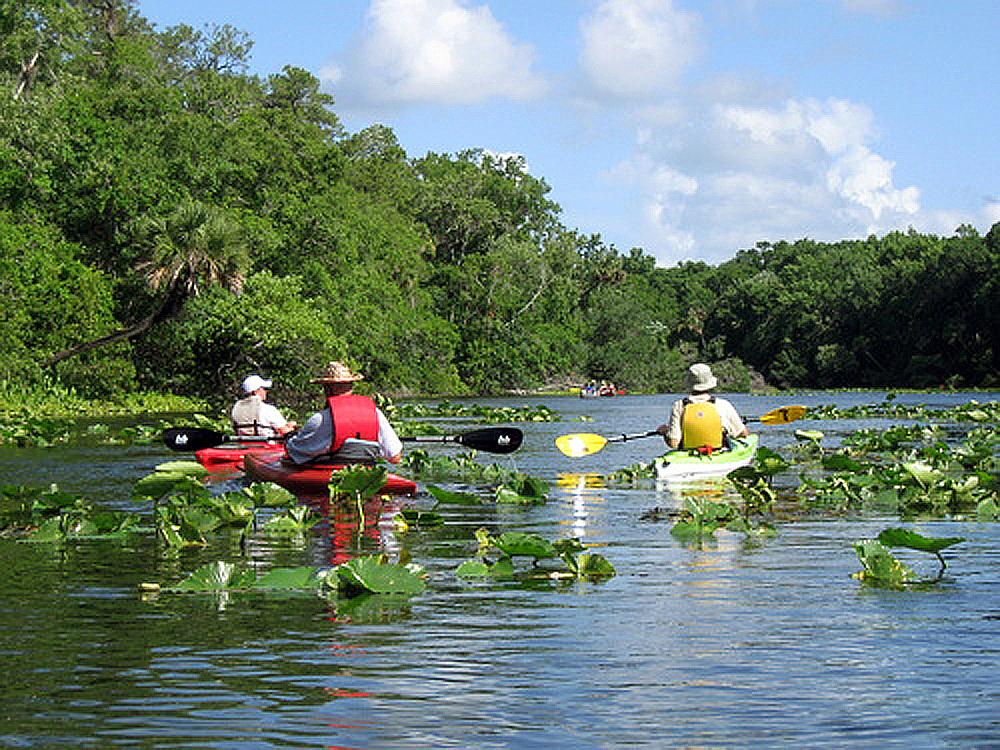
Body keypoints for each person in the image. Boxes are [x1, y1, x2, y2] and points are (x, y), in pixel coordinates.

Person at [285, 361, 403, 465]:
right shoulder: (376, 414)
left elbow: (295, 452)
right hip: (365, 475)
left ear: (327, 388)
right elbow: (395, 457)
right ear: (351, 386)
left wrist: (289, 436)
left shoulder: (319, 419)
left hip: (329, 474)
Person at [657, 363, 748, 451]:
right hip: (717, 452)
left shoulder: (679, 405)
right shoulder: (723, 404)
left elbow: (673, 443)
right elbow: (743, 433)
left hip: (688, 455)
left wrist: (665, 432)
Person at [231, 374, 296, 438]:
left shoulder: (237, 407)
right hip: (266, 445)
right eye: (264, 389)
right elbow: (284, 431)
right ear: (256, 392)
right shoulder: (268, 409)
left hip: (243, 445)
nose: (266, 392)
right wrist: (291, 427)